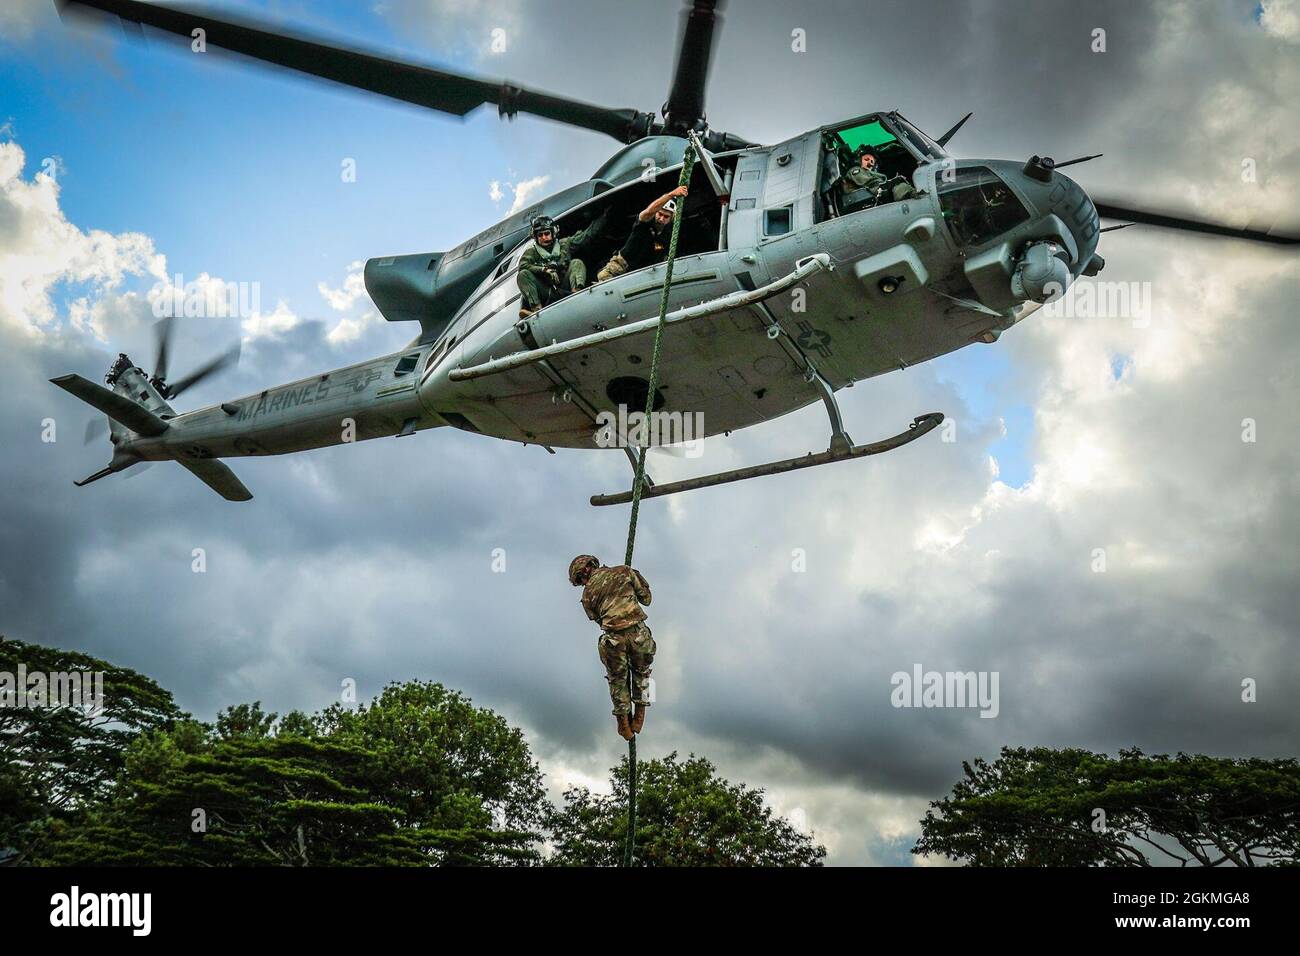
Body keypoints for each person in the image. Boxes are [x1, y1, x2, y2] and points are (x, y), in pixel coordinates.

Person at [569, 554, 655, 741]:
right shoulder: (624, 571)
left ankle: (623, 721)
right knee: (642, 673)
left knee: (617, 681)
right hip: (638, 634)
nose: (583, 584)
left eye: (581, 581)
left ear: (584, 575)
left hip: (612, 640)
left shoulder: (587, 596)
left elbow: (598, 619)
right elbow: (647, 599)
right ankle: (640, 713)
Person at [517, 213, 604, 319]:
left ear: (553, 232)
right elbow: (523, 266)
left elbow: (586, 235)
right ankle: (537, 310)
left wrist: (604, 216)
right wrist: (543, 270)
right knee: (523, 274)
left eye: (547, 233)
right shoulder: (531, 252)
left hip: (564, 285)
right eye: (540, 235)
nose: (544, 237)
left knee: (576, 262)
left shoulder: (564, 244)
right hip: (546, 291)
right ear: (535, 237)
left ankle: (577, 294)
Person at [596, 185, 689, 282]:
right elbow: (648, 212)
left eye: (666, 216)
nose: (661, 219)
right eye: (660, 214)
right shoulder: (644, 224)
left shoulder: (669, 236)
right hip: (620, 269)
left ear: (671, 219)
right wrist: (671, 194)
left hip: (644, 275)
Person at [839, 146, 916, 212]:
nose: (870, 162)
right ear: (859, 160)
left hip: (878, 193)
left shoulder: (873, 173)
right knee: (901, 187)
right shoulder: (856, 170)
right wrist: (890, 184)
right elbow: (871, 184)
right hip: (871, 193)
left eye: (872, 160)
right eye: (866, 159)